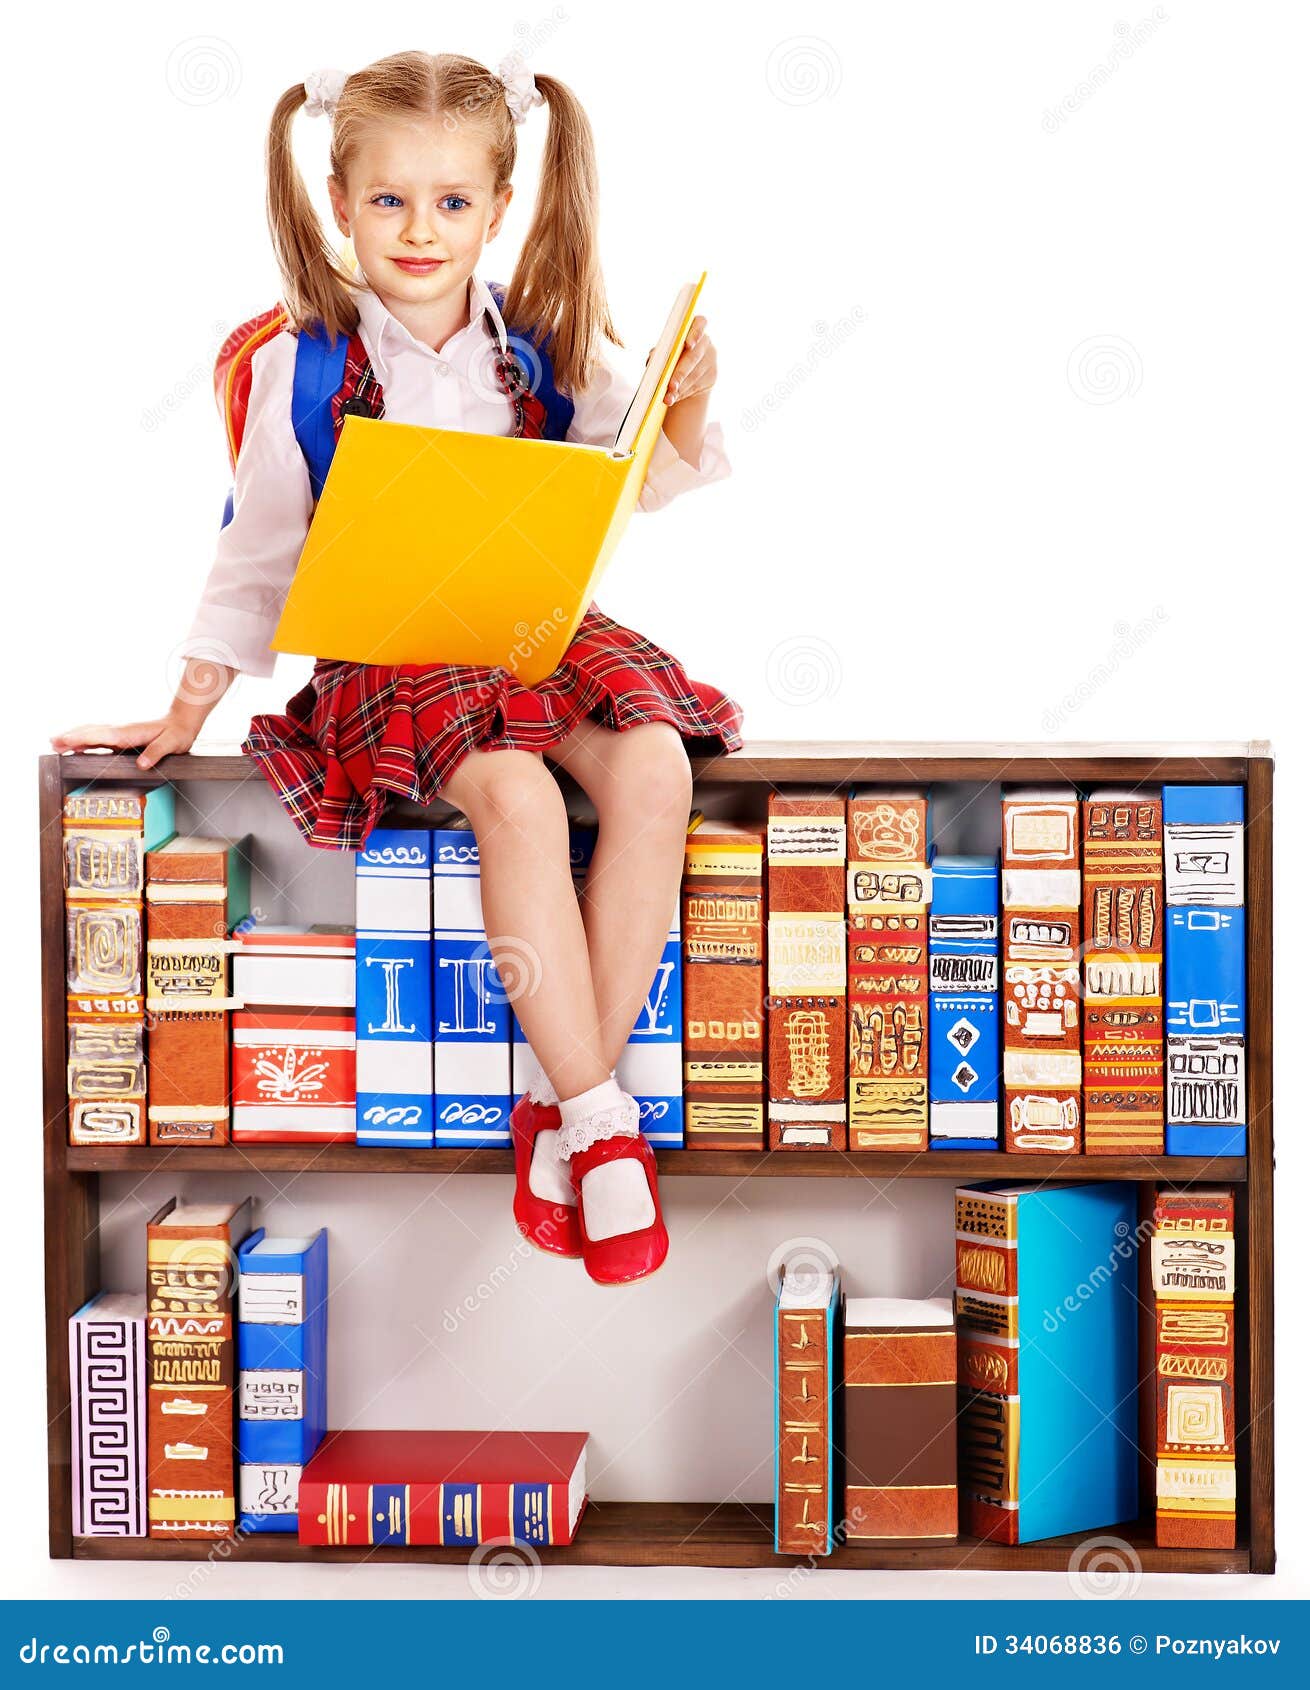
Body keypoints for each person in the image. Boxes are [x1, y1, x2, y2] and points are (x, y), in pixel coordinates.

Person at [52, 50, 745, 1287]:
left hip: (528, 631)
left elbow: (629, 481)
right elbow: (255, 549)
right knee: (520, 797)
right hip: (395, 657)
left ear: (498, 205)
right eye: (387, 201)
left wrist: (682, 399)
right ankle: (599, 1121)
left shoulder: (541, 342)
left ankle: (554, 1096)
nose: (419, 230)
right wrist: (185, 705)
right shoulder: (299, 360)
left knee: (651, 765)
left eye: (451, 203)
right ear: (336, 199)